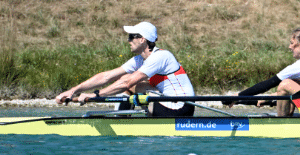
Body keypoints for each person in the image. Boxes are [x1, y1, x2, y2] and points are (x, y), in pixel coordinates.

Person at [53, 22, 196, 117]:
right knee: (133, 86)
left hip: (182, 108)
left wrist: (95, 95)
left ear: (142, 39)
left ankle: (122, 122)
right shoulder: (140, 59)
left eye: (131, 36)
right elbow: (106, 77)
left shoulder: (161, 56)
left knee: (128, 83)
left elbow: (126, 82)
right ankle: (121, 119)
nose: (128, 40)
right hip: (167, 103)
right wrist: (73, 90)